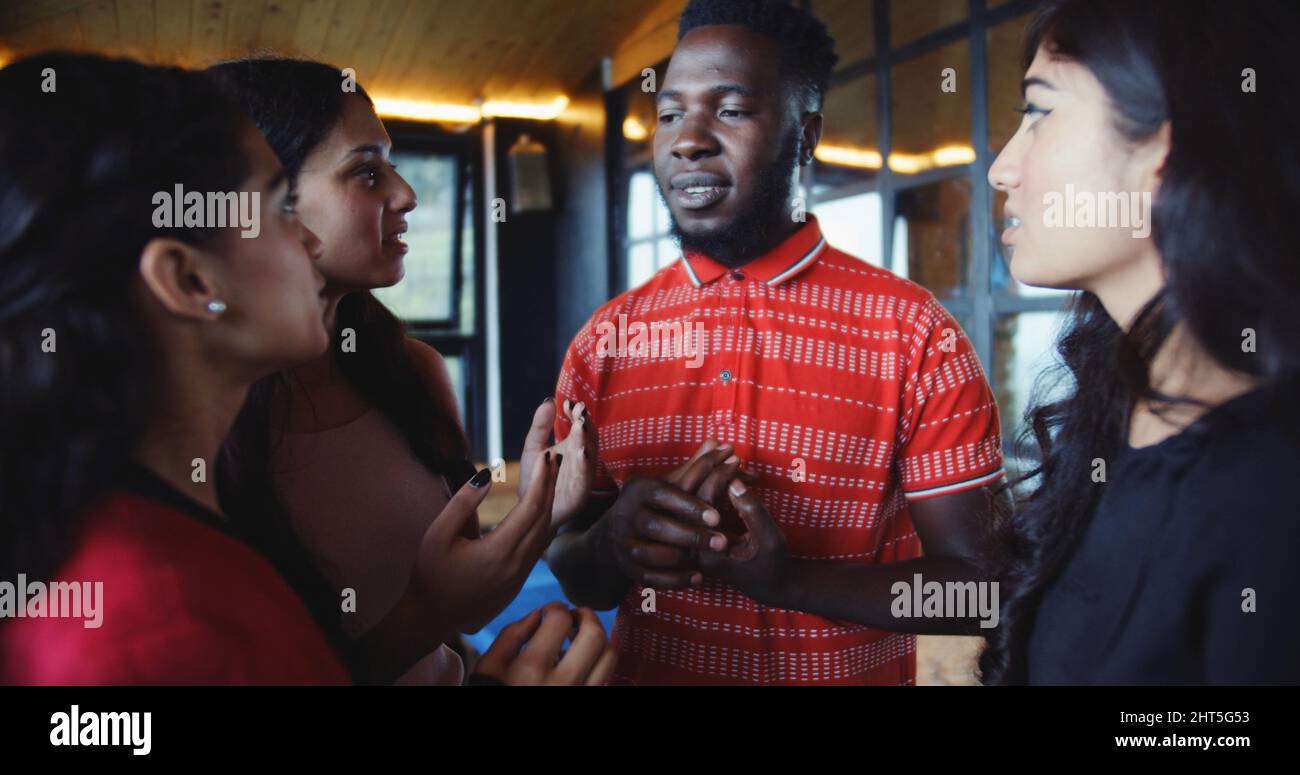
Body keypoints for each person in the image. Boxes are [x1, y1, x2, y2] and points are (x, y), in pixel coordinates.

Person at [0, 53, 612, 687]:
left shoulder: (157, 538)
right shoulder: (154, 616)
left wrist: (540, 517)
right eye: (276, 207)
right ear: (186, 278)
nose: (311, 244)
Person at [547, 0, 1007, 685]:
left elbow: (980, 593)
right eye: (669, 113)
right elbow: (574, 567)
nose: (688, 140)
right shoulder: (604, 342)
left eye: (730, 109)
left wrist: (792, 581)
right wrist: (612, 546)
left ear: (807, 131)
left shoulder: (916, 335)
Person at [208, 58, 599, 685]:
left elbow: (463, 606)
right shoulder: (191, 420)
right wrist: (423, 615)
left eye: (389, 164)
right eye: (367, 172)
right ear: (258, 199)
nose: (406, 193)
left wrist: (538, 512)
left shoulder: (410, 371)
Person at [980, 0, 1300, 684]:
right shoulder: (1115, 412)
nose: (1001, 169)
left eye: (1038, 113)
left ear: (1167, 143)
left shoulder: (1269, 492)